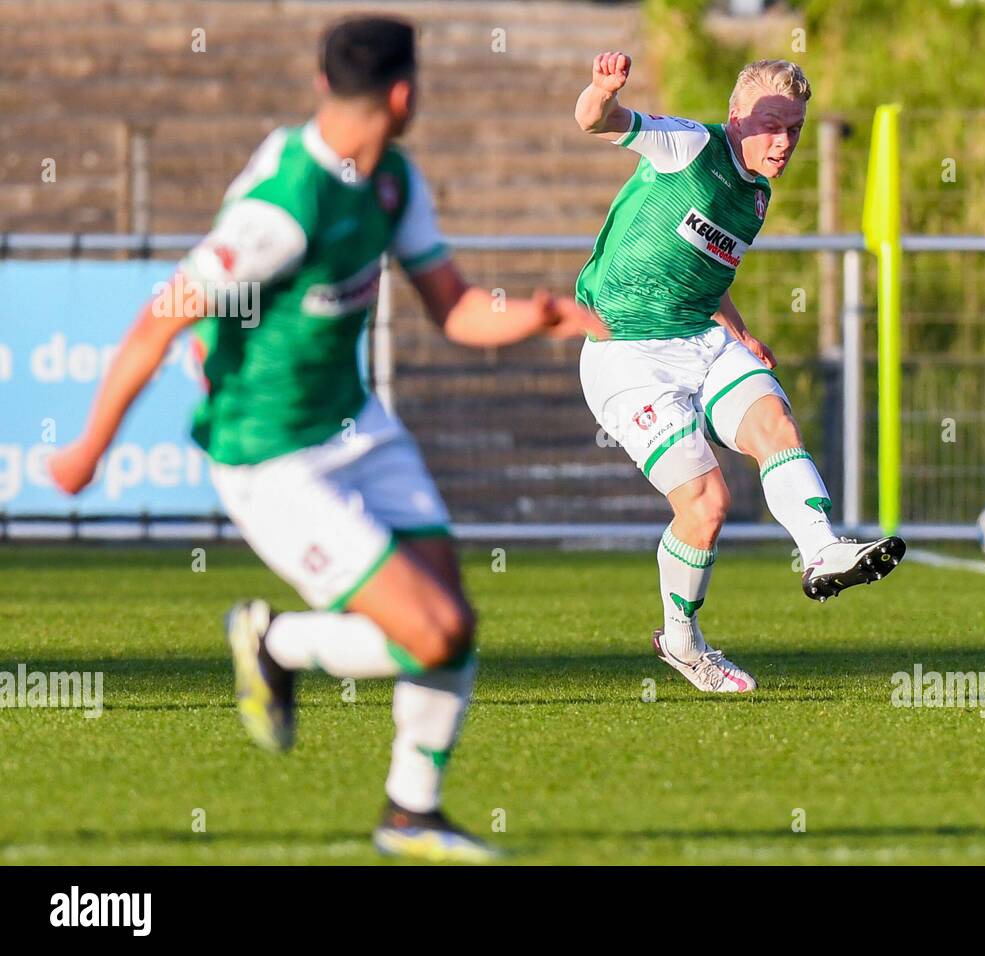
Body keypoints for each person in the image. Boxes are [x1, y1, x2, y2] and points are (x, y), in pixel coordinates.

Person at [48, 15, 604, 863]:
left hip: (359, 427)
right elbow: (161, 319)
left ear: (323, 85)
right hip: (269, 454)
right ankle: (275, 641)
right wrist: (89, 448)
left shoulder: (393, 184)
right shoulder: (287, 208)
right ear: (405, 94)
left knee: (452, 612)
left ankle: (410, 813)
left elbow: (451, 306)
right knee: (436, 631)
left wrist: (541, 316)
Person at [573, 52, 905, 693]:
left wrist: (741, 330)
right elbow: (595, 122)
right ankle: (682, 643)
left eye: (796, 130)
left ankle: (821, 552)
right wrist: (601, 90)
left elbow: (704, 268)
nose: (783, 143)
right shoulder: (690, 146)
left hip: (703, 335)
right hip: (627, 355)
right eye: (772, 126)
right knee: (706, 507)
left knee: (775, 424)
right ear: (736, 119)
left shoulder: (756, 194)